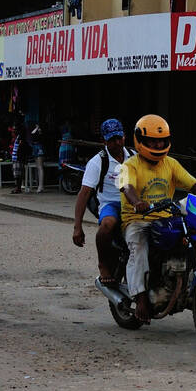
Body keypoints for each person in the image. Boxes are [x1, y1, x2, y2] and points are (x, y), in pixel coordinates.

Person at [116, 114, 196, 323]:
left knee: (195, 239)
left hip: (167, 216)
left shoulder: (170, 163)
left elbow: (193, 184)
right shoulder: (127, 165)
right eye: (153, 141)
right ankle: (141, 298)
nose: (158, 144)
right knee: (139, 249)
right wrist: (137, 201)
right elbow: (126, 186)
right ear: (140, 140)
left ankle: (187, 285)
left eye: (161, 140)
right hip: (137, 220)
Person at [73, 119, 136, 282]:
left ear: (124, 136)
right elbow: (84, 193)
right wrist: (77, 227)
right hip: (111, 204)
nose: (117, 142)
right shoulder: (97, 162)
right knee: (107, 224)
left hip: (135, 203)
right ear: (104, 141)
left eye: (119, 138)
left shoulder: (135, 157)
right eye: (112, 139)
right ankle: (103, 264)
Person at [9, 120, 30, 194]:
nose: (14, 130)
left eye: (15, 128)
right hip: (15, 157)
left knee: (18, 174)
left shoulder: (21, 138)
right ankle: (17, 187)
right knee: (16, 173)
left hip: (18, 158)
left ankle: (18, 188)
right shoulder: (17, 137)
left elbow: (21, 149)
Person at [29, 122, 47, 192]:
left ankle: (41, 186)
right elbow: (32, 135)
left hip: (39, 148)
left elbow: (36, 136)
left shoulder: (40, 131)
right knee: (38, 167)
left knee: (40, 167)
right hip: (35, 148)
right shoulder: (35, 130)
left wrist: (38, 128)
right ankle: (39, 185)